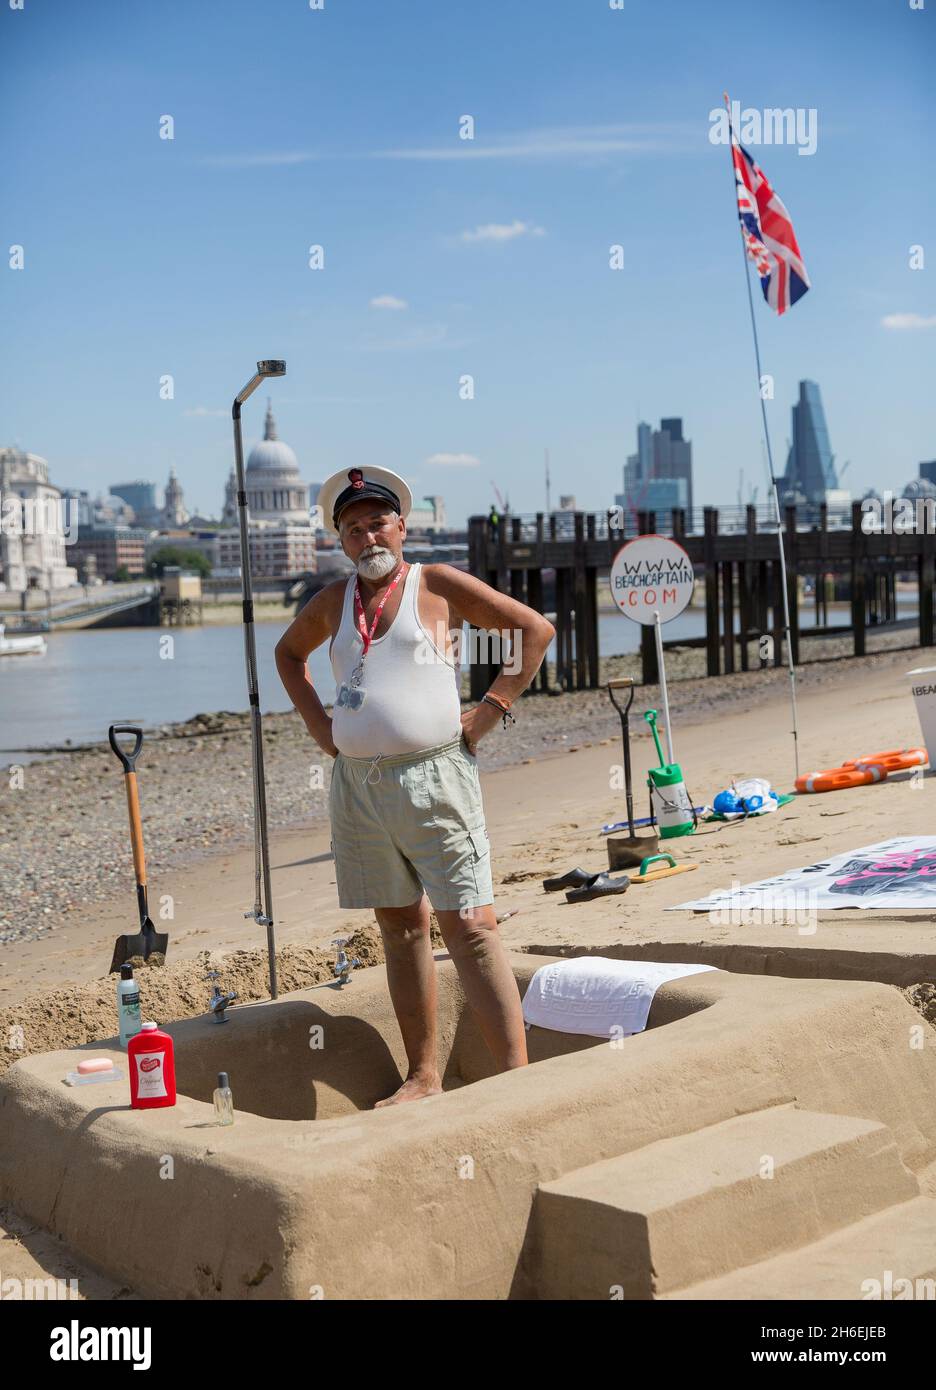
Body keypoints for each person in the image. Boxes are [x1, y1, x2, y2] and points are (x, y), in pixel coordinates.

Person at [276, 466, 554, 1107]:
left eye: (377, 521)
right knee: (400, 928)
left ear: (401, 527)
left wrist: (491, 709)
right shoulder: (332, 602)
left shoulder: (435, 583)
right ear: (341, 542)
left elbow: (533, 631)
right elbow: (288, 656)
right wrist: (324, 728)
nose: (367, 534)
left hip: (436, 777)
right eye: (353, 527)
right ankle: (424, 1076)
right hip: (359, 787)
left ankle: (518, 1078)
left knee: (474, 926)